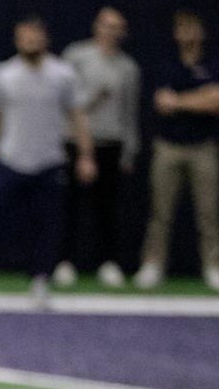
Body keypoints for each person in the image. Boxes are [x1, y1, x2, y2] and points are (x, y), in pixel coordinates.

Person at [0, 14, 96, 308]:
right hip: (10, 158)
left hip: (49, 161)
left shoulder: (63, 74)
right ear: (17, 39)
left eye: (35, 36)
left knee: (48, 226)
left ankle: (40, 282)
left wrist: (86, 155)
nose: (30, 42)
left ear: (45, 39)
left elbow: (78, 115)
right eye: (25, 37)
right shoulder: (3, 74)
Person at [57, 7, 140, 287]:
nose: (111, 30)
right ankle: (64, 262)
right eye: (107, 24)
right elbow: (67, 102)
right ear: (96, 26)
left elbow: (129, 112)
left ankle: (107, 262)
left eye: (117, 26)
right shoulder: (76, 56)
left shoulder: (128, 67)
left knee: (107, 207)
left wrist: (129, 150)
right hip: (76, 141)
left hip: (111, 143)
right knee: (69, 205)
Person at [136, 10, 219, 290]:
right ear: (175, 33)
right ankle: (153, 264)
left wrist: (181, 101)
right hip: (168, 147)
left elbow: (216, 102)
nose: (187, 34)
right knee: (161, 212)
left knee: (209, 212)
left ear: (201, 32)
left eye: (192, 28)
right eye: (182, 28)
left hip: (203, 147)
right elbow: (161, 103)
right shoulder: (165, 64)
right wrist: (201, 97)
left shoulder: (212, 63)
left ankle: (213, 266)